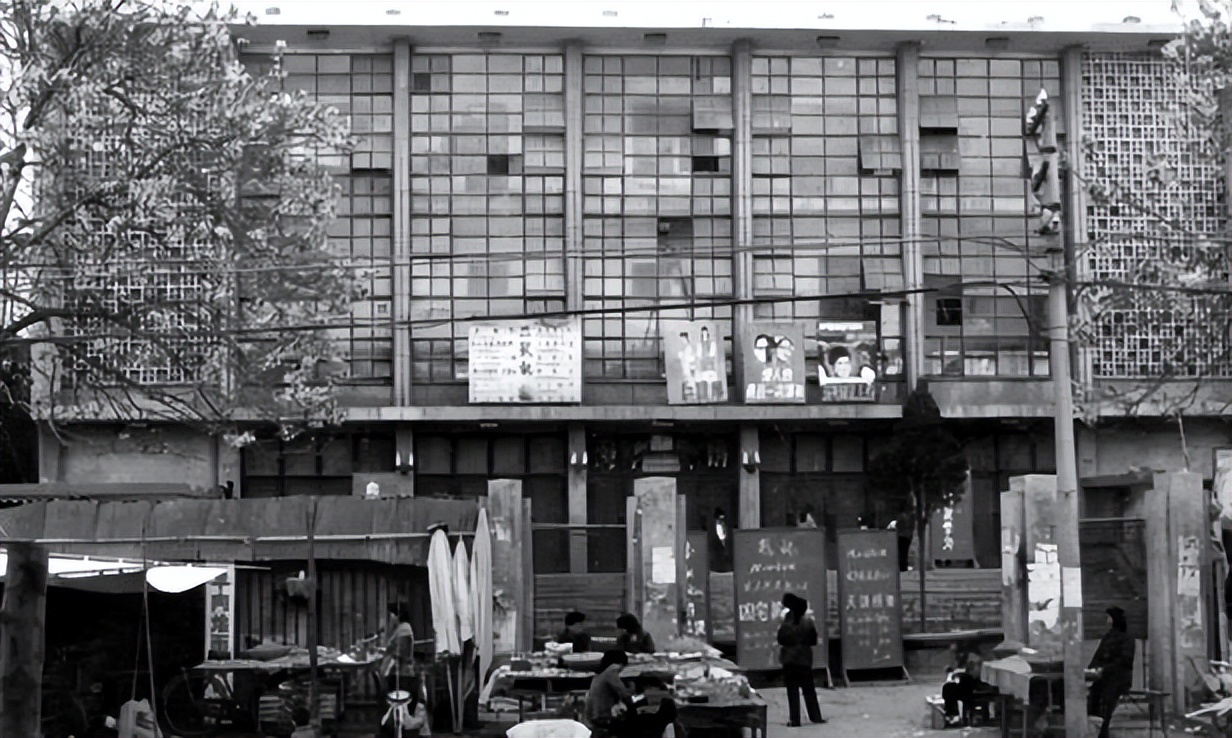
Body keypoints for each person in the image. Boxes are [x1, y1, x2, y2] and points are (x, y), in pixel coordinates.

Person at [1086, 605, 1135, 738]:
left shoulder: (1127, 638)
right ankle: (1095, 730)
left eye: (1109, 617)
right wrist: (1092, 669)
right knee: (1093, 697)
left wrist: (1105, 669)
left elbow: (1124, 660)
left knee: (1107, 701)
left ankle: (1103, 731)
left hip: (1119, 678)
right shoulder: (1108, 636)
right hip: (1104, 677)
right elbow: (1098, 655)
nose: (1107, 620)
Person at [777, 593, 825, 727]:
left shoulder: (785, 623)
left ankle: (795, 719)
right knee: (809, 689)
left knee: (792, 691)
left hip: (789, 660)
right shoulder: (808, 622)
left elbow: (780, 640)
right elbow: (813, 641)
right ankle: (815, 716)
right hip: (804, 659)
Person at [584, 649, 636, 737]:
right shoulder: (612, 671)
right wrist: (632, 688)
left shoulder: (599, 675)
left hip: (591, 717)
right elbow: (625, 695)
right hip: (602, 718)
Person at [941, 643, 983, 726]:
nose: (955, 656)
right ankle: (952, 714)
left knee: (959, 684)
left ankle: (955, 715)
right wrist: (953, 671)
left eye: (955, 653)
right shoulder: (962, 659)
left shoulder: (973, 658)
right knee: (948, 687)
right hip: (966, 686)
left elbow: (975, 673)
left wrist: (961, 672)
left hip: (975, 685)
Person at [382, 603, 416, 693]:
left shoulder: (404, 629)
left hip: (401, 674)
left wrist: (387, 670)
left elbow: (401, 652)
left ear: (397, 616)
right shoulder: (400, 628)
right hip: (397, 673)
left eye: (391, 615)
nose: (390, 618)